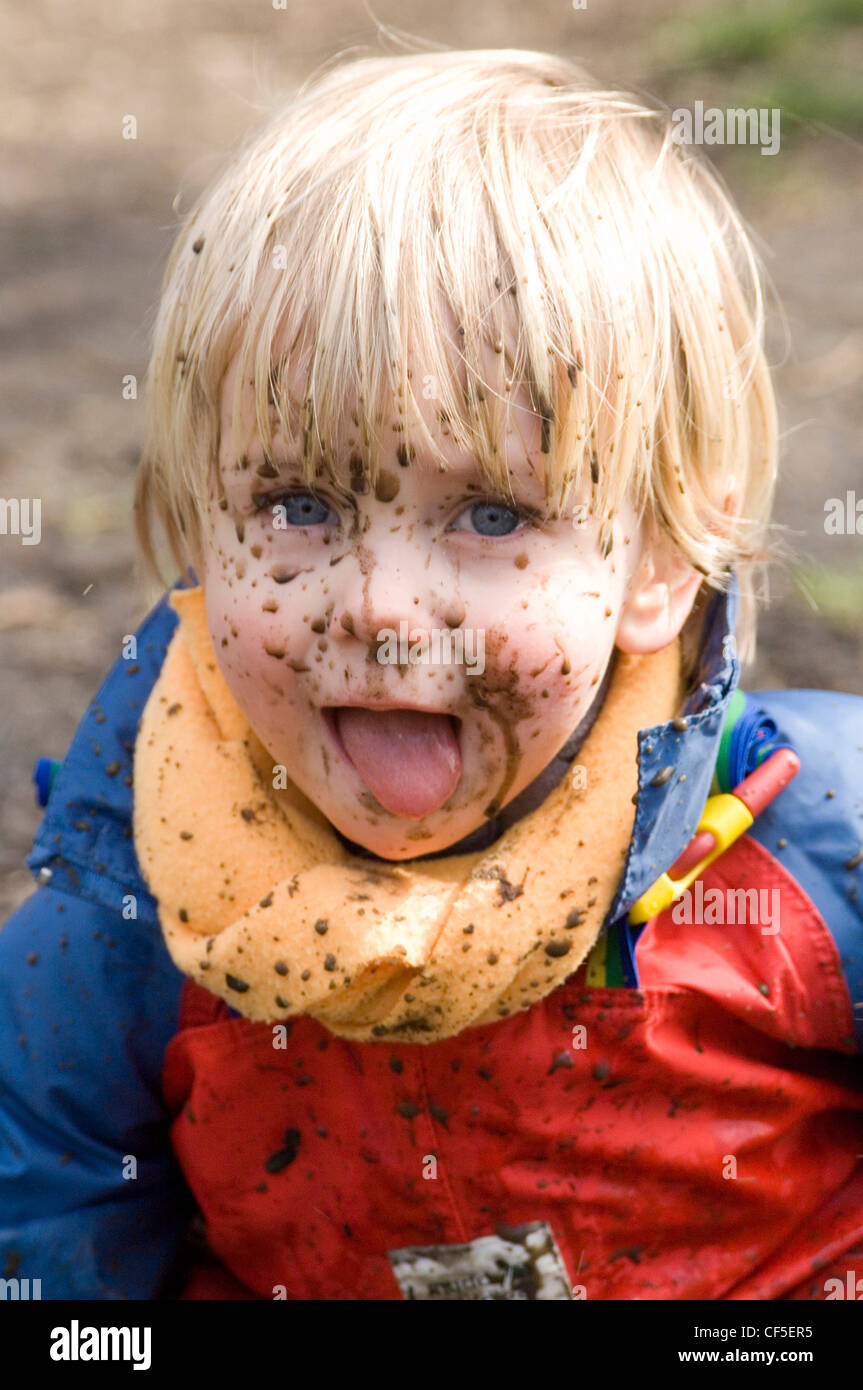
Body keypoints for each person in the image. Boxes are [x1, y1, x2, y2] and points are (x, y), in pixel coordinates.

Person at [1, 47, 861, 1302]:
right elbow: (51, 1235)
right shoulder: (138, 906)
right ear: (198, 526)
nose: (382, 609)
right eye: (296, 502)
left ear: (656, 567)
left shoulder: (806, 851)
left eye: (494, 517)